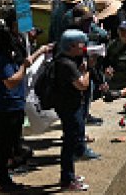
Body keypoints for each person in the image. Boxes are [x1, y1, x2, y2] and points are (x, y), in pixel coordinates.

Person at [0, 12, 52, 193]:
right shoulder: (2, 58)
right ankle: (2, 179)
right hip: (6, 106)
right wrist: (24, 66)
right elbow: (11, 81)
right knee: (4, 145)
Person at [53, 29, 93, 191]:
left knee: (72, 139)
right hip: (69, 107)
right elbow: (82, 85)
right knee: (70, 142)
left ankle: (69, 175)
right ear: (71, 46)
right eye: (80, 44)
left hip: (68, 105)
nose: (83, 47)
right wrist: (88, 70)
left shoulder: (65, 60)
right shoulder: (66, 64)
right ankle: (67, 179)